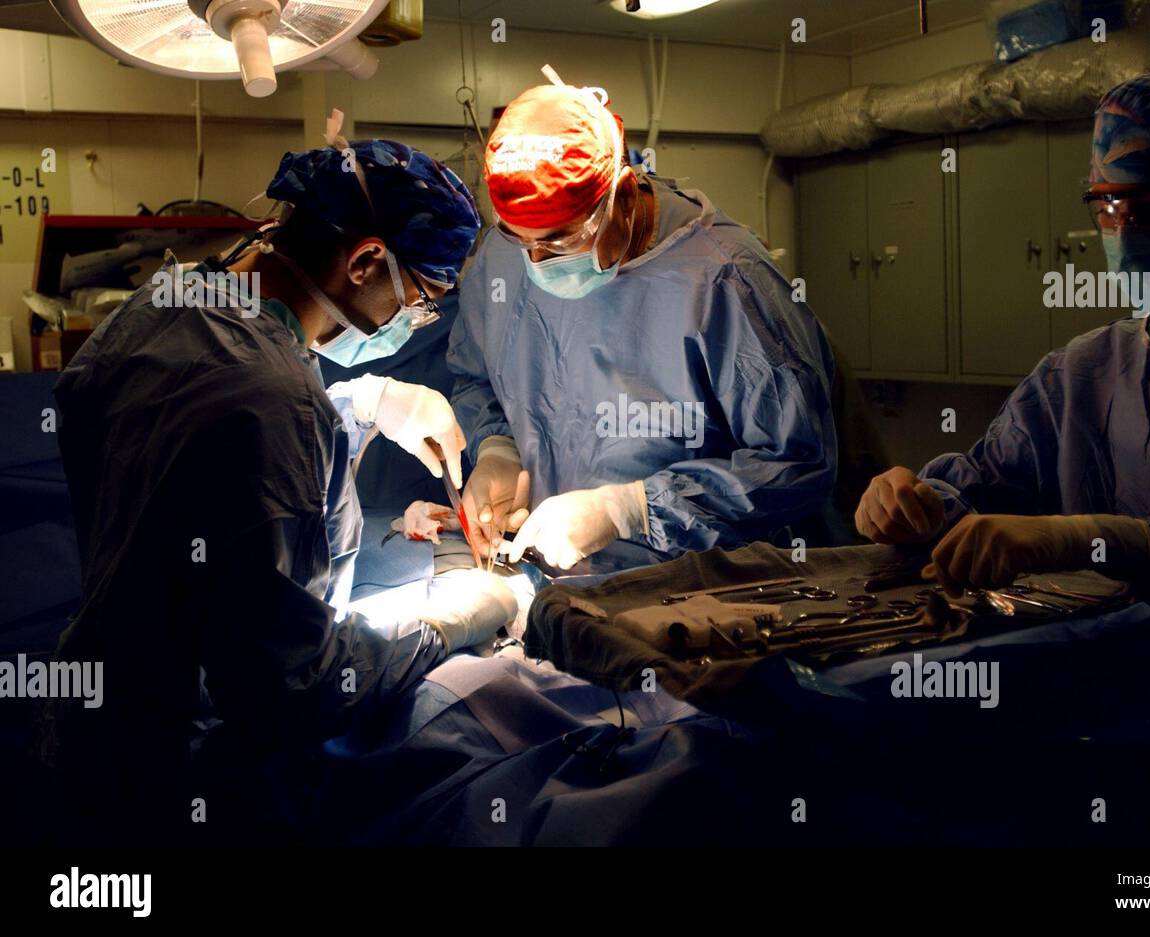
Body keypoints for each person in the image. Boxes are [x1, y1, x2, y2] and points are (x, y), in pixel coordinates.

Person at [49, 138, 511, 842]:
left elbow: (193, 449)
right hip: (183, 776)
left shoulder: (163, 304)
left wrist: (357, 408)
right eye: (420, 299)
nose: (413, 319)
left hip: (92, 722)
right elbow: (293, 690)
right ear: (364, 262)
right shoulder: (272, 400)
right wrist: (446, 625)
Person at [854, 72, 1150, 610]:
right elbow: (988, 486)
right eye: (1107, 207)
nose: (1125, 232)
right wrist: (917, 506)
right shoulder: (1079, 374)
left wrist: (1111, 540)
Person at [450, 75, 838, 573]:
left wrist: (630, 510)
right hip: (556, 580)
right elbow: (476, 375)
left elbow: (796, 464)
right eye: (518, 240)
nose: (536, 262)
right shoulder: (504, 256)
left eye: (561, 241)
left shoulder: (726, 278)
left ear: (625, 196)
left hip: (694, 587)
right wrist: (497, 449)